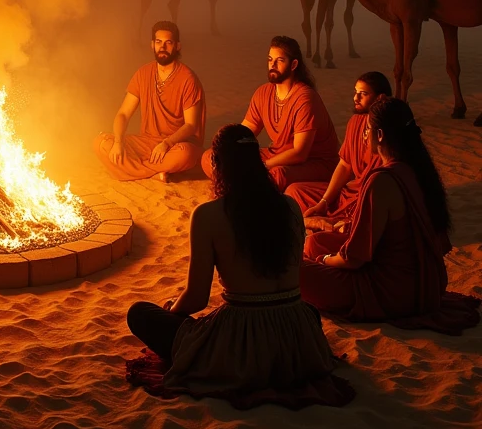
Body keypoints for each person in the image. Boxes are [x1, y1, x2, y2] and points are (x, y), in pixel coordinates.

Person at [127, 124, 352, 407]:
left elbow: (196, 299)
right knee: (308, 311)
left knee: (141, 313)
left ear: (218, 165)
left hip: (243, 338)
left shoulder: (208, 215)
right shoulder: (290, 207)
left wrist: (172, 311)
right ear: (257, 161)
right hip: (295, 333)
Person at [300, 97, 480, 333]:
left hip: (391, 291)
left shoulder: (381, 181)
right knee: (315, 242)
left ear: (381, 135)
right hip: (425, 283)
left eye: (367, 131)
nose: (364, 137)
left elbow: (355, 258)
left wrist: (325, 261)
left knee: (296, 271)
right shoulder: (418, 169)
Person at [201, 35, 338, 192]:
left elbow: (300, 153)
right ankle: (243, 187)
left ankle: (239, 188)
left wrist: (261, 166)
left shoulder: (305, 98)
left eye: (279, 60)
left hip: (313, 163)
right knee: (211, 157)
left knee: (277, 174)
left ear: (293, 65)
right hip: (276, 155)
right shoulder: (263, 92)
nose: (272, 65)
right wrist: (227, 148)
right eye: (270, 59)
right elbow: (244, 133)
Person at [291, 72, 391, 252]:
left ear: (381, 97)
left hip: (368, 198)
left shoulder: (389, 130)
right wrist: (324, 201)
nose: (356, 97)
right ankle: (319, 223)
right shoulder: (355, 122)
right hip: (349, 193)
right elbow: (345, 165)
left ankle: (328, 227)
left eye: (363, 94)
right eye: (356, 92)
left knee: (338, 230)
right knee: (295, 191)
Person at [93, 21, 205, 181]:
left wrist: (166, 144)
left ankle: (134, 170)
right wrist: (118, 142)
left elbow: (190, 125)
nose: (163, 47)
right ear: (152, 45)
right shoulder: (143, 73)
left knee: (186, 154)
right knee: (100, 143)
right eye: (158, 42)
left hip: (175, 144)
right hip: (146, 142)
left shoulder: (188, 78)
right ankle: (155, 173)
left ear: (177, 46)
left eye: (168, 43)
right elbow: (123, 114)